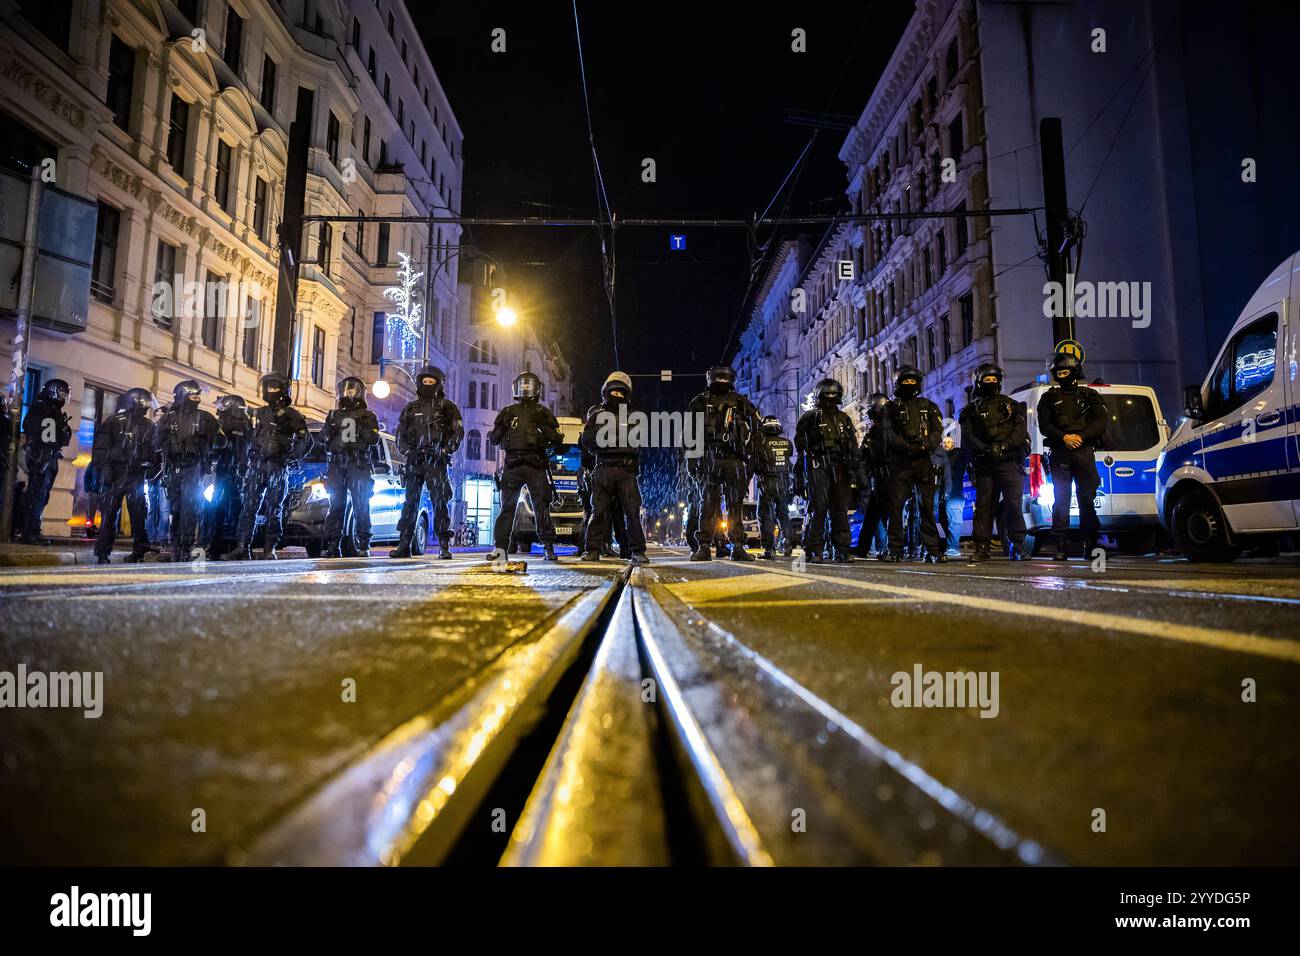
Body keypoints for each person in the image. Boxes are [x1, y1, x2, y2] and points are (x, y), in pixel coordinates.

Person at [222, 373, 311, 560]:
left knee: (274, 509)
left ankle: (269, 548)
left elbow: (305, 440)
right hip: (257, 466)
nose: (270, 391)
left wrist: (292, 456)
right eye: (267, 388)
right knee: (249, 507)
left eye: (274, 388)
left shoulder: (292, 415)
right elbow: (245, 436)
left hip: (277, 467)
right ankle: (242, 546)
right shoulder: (257, 413)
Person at [1037, 351, 1108, 561]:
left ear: (1075, 371)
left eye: (1066, 371)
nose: (1062, 374)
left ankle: (1091, 544)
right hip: (1060, 452)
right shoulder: (1048, 398)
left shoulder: (1090, 395)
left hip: (1084, 451)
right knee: (1061, 500)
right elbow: (1045, 425)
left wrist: (1081, 436)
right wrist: (1064, 437)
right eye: (1058, 372)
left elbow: (1101, 423)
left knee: (1087, 499)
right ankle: (1060, 547)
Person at [686, 365, 761, 562]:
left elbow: (757, 427)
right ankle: (711, 546)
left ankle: (729, 546)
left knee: (721, 504)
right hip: (716, 459)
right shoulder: (705, 401)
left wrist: (751, 455)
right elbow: (689, 434)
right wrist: (692, 461)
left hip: (728, 458)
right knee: (717, 504)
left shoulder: (737, 401)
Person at [488, 371, 563, 562]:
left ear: (536, 389)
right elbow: (494, 439)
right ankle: (500, 549)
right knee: (507, 508)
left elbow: (556, 439)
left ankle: (548, 547)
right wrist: (502, 427)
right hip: (513, 464)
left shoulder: (542, 412)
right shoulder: (507, 412)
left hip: (534, 464)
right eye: (523, 385)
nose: (526, 389)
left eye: (529, 385)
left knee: (541, 507)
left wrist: (543, 429)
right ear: (517, 387)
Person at [390, 365, 464, 559]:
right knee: (410, 502)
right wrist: (408, 451)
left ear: (438, 384)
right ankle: (404, 543)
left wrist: (445, 450)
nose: (428, 385)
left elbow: (457, 433)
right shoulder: (411, 408)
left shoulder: (447, 407)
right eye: (425, 381)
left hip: (436, 461)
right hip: (415, 461)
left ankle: (443, 545)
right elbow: (400, 435)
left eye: (432, 382)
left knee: (440, 502)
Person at [960, 364, 1029, 562]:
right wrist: (986, 450)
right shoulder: (970, 410)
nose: (991, 383)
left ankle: (1018, 545)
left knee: (1013, 505)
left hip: (1008, 462)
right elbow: (968, 437)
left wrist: (1004, 447)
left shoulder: (1011, 405)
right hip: (985, 463)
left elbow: (1019, 432)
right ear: (978, 382)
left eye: (994, 379)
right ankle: (982, 547)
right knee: (984, 507)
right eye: (986, 380)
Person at [580, 372, 649, 564]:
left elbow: (637, 443)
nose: (617, 396)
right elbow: (586, 440)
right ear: (606, 392)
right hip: (603, 469)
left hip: (625, 471)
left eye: (620, 393)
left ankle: (637, 551)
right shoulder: (597, 415)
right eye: (614, 392)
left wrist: (607, 440)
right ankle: (593, 549)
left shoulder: (634, 417)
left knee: (632, 513)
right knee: (599, 511)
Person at [794, 378, 860, 563]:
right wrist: (813, 439)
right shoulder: (810, 417)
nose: (831, 398)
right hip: (819, 464)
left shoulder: (844, 418)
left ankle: (842, 549)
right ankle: (814, 548)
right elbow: (799, 443)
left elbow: (852, 443)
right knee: (818, 507)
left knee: (840, 509)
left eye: (834, 395)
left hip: (840, 466)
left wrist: (854, 461)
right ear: (820, 397)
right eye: (827, 395)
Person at [884, 365, 945, 563]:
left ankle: (933, 550)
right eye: (905, 381)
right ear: (898, 383)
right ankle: (894, 549)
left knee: (927, 507)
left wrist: (928, 445)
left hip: (923, 461)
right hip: (900, 463)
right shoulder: (891, 408)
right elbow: (888, 434)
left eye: (913, 381)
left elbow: (937, 430)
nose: (909, 384)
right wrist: (907, 447)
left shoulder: (928, 406)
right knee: (896, 507)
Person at [154, 380, 220, 562]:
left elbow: (221, 442)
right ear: (182, 395)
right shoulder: (169, 418)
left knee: (190, 509)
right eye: (193, 395)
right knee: (175, 510)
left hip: (194, 468)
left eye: (198, 395)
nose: (197, 398)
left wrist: (206, 441)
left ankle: (186, 546)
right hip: (174, 469)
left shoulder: (206, 418)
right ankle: (176, 547)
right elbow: (156, 443)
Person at [91, 388, 158, 564]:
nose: (147, 406)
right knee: (109, 514)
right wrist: (105, 470)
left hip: (136, 475)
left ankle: (140, 549)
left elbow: (154, 452)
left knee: (139, 514)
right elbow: (100, 450)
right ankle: (103, 552)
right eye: (145, 403)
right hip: (116, 473)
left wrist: (151, 470)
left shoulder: (149, 426)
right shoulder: (114, 422)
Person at [320, 376, 381, 558]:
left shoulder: (368, 416)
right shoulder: (333, 415)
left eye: (353, 390)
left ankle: (363, 543)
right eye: (347, 390)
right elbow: (323, 439)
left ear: (360, 393)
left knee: (361, 504)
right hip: (338, 465)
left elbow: (374, 439)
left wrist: (362, 428)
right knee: (336, 506)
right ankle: (332, 545)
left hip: (358, 464)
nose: (349, 393)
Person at [18, 378, 73, 544]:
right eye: (62, 393)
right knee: (36, 495)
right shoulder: (44, 408)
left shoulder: (52, 410)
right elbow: (46, 435)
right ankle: (30, 533)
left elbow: (64, 439)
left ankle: (32, 530)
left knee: (41, 496)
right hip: (42, 455)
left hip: (48, 455)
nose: (64, 397)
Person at [205, 394, 252, 560]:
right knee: (233, 510)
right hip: (236, 473)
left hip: (228, 472)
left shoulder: (232, 425)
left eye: (222, 408)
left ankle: (216, 546)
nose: (219, 412)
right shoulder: (246, 425)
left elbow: (218, 446)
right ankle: (232, 545)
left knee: (219, 509)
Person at [852, 393, 892, 558]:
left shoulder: (886, 427)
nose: (868, 412)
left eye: (870, 408)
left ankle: (890, 547)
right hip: (875, 476)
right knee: (873, 513)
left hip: (886, 476)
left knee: (887, 514)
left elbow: (883, 449)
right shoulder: (876, 426)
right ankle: (863, 547)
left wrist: (869, 446)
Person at [755, 416, 794, 559]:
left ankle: (769, 549)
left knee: (766, 516)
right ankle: (787, 542)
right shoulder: (787, 443)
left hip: (767, 483)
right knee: (783, 514)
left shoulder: (761, 443)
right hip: (784, 483)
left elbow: (755, 465)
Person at [939, 435, 966, 558]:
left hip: (954, 492)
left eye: (949, 442)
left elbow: (954, 472)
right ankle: (950, 545)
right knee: (944, 519)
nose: (946, 444)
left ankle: (953, 547)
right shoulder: (939, 456)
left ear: (954, 444)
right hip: (943, 492)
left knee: (954, 519)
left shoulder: (959, 456)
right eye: (944, 442)